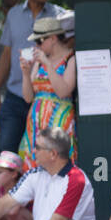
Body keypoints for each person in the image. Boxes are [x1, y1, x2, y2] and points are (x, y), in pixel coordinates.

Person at [0, 0, 61, 163]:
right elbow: (6, 54)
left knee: (46, 158)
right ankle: (6, 193)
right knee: (7, 156)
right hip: (15, 96)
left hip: (46, 97)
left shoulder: (58, 15)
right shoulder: (13, 15)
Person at [19, 15, 76, 170]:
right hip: (36, 122)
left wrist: (47, 64)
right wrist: (25, 72)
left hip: (59, 120)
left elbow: (63, 91)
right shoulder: (40, 61)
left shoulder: (70, 59)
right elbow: (28, 97)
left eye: (39, 41)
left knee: (58, 163)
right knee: (35, 167)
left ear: (52, 38)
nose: (37, 45)